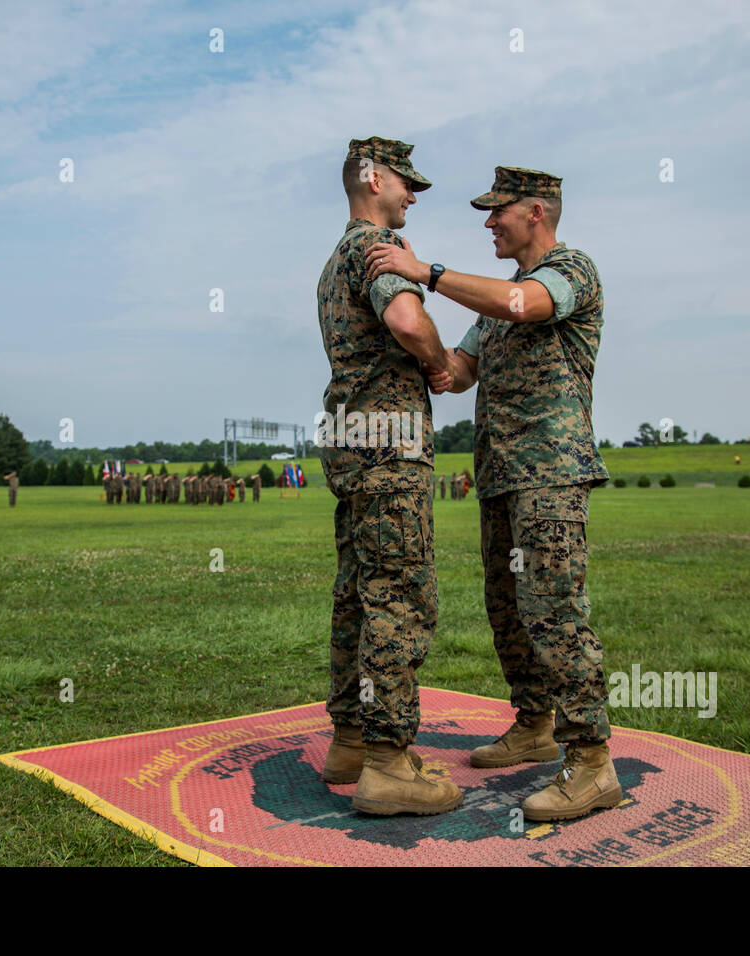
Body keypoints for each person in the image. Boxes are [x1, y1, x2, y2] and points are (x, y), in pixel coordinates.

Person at [366, 165, 620, 822]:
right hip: (503, 478)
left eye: (497, 211)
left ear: (536, 211)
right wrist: (408, 340)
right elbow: (457, 370)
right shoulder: (497, 300)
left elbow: (524, 306)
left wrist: (426, 273)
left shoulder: (569, 272)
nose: (488, 222)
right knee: (508, 611)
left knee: (555, 614)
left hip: (551, 476)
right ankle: (534, 723)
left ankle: (592, 762)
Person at [316, 136, 460, 815]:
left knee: (357, 593)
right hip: (389, 442)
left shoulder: (332, 259)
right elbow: (406, 319)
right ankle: (388, 763)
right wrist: (436, 359)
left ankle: (350, 738)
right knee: (399, 597)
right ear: (373, 180)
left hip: (351, 441)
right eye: (407, 184)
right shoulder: (375, 252)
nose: (413, 196)